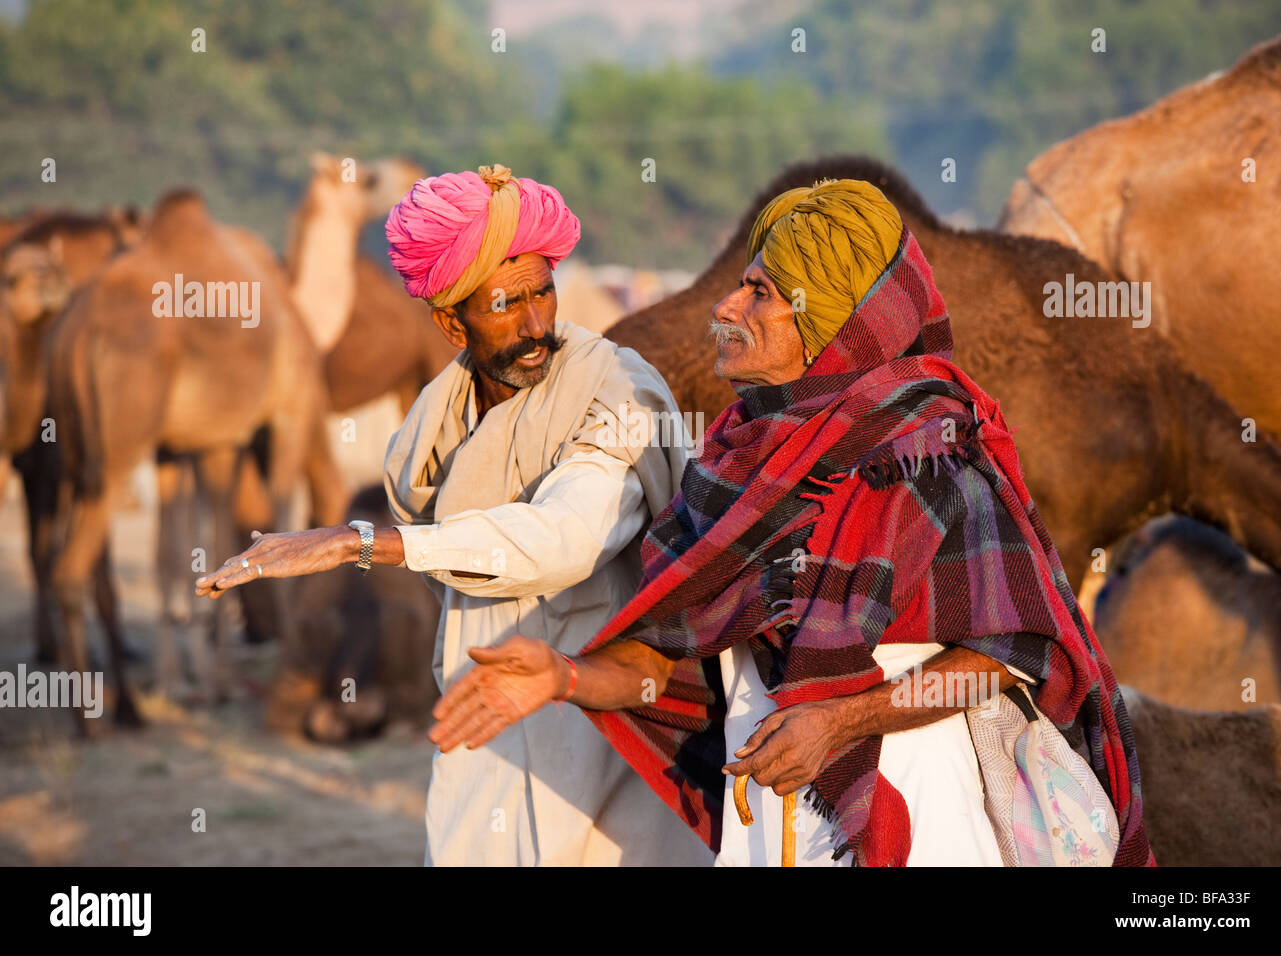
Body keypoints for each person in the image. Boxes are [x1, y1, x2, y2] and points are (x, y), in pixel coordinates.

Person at [427, 177, 1154, 867]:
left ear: (833, 324)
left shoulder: (927, 452)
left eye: (759, 293)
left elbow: (1005, 657)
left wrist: (842, 720)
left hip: (920, 805)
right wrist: (560, 675)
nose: (724, 308)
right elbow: (662, 665)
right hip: (766, 814)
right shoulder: (733, 462)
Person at [196, 164, 714, 867]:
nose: (536, 325)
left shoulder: (615, 390)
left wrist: (359, 542)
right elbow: (422, 495)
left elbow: (566, 538)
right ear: (450, 320)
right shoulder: (436, 420)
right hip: (485, 724)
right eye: (506, 304)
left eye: (543, 293)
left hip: (612, 734)